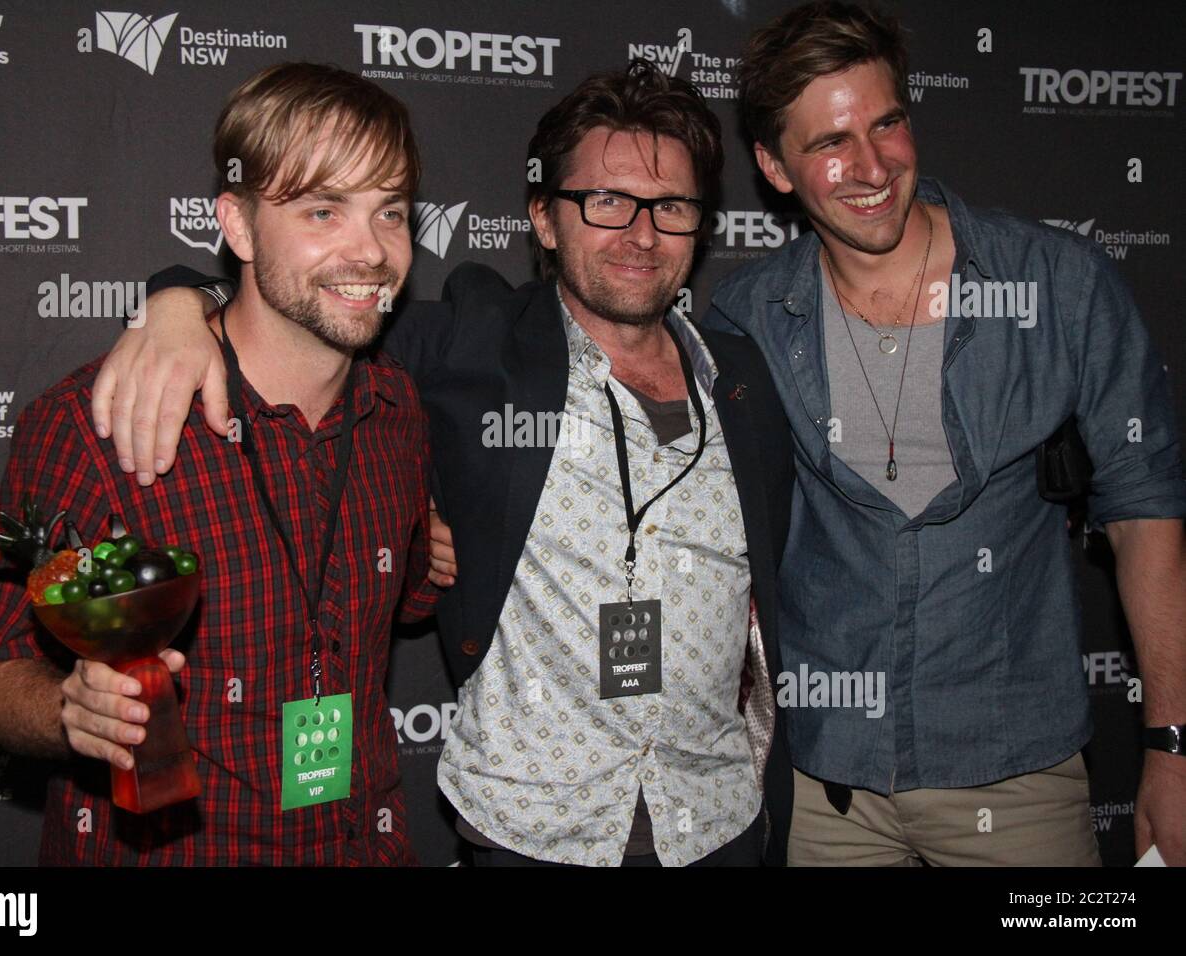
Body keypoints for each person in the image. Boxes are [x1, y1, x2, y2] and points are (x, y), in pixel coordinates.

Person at [88, 60, 796, 866]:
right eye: (606, 201)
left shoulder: (744, 380)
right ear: (544, 218)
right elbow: (307, 302)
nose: (641, 233)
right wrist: (178, 302)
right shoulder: (475, 343)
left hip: (719, 820)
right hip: (533, 832)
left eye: (671, 206)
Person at [701, 1, 1186, 865]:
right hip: (825, 788)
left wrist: (1172, 746)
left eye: (886, 123)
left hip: (1018, 774)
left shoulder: (1057, 286)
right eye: (831, 142)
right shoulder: (747, 318)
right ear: (774, 167)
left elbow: (1145, 513)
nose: (872, 165)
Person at [0, 62, 438, 865]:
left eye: (391, 212)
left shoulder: (398, 411)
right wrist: (70, 709)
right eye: (323, 210)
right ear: (237, 227)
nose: (371, 250)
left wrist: (441, 545)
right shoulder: (99, 422)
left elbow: (405, 598)